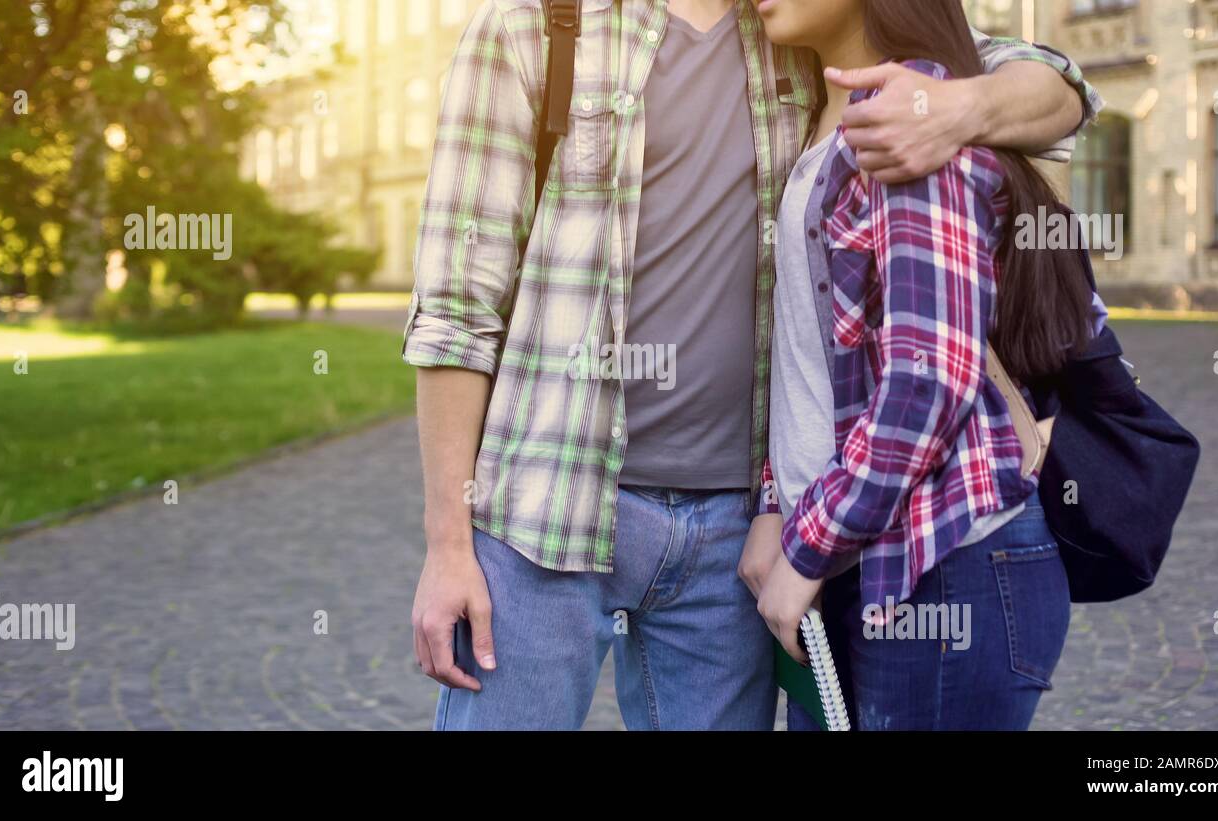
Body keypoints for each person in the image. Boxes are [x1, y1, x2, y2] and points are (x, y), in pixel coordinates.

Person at [404, 0, 1100, 730]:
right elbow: (457, 315)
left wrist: (954, 108)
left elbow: (1056, 86)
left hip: (733, 536)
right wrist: (448, 545)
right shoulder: (530, 29)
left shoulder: (794, 34)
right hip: (547, 510)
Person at [749, 0, 1109, 730]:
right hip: (854, 556)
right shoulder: (823, 110)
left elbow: (929, 378)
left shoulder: (909, 111)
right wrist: (774, 506)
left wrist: (806, 549)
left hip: (942, 568)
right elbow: (810, 357)